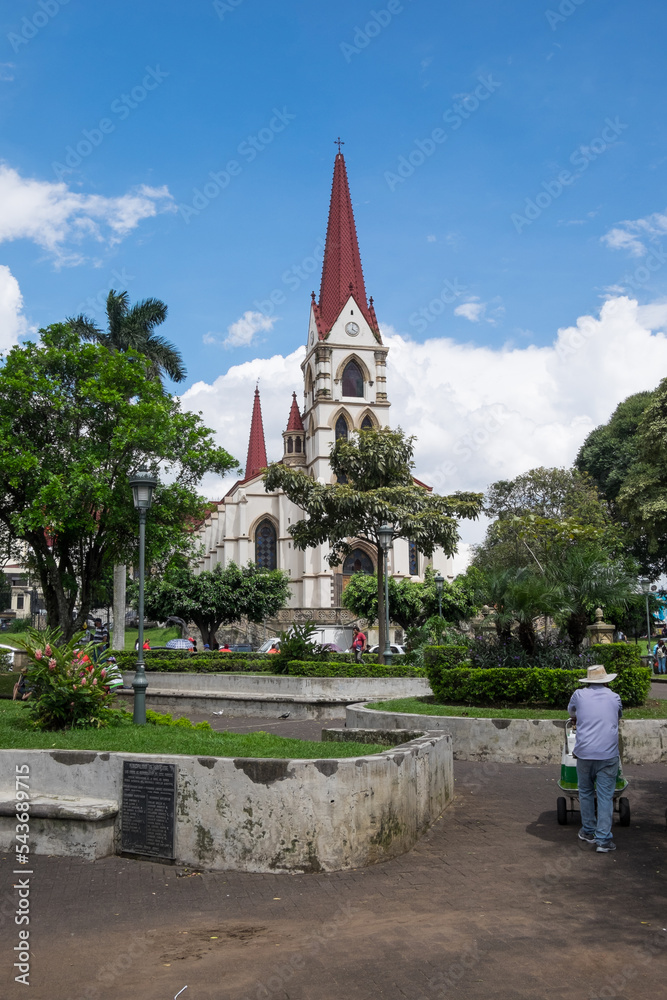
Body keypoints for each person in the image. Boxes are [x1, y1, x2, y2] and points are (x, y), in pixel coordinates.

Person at [567, 663, 623, 853]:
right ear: (607, 681)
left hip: (584, 753)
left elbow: (571, 712)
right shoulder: (615, 697)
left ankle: (588, 831)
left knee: (585, 791)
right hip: (608, 754)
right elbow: (618, 716)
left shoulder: (579, 695)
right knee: (606, 796)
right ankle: (603, 840)